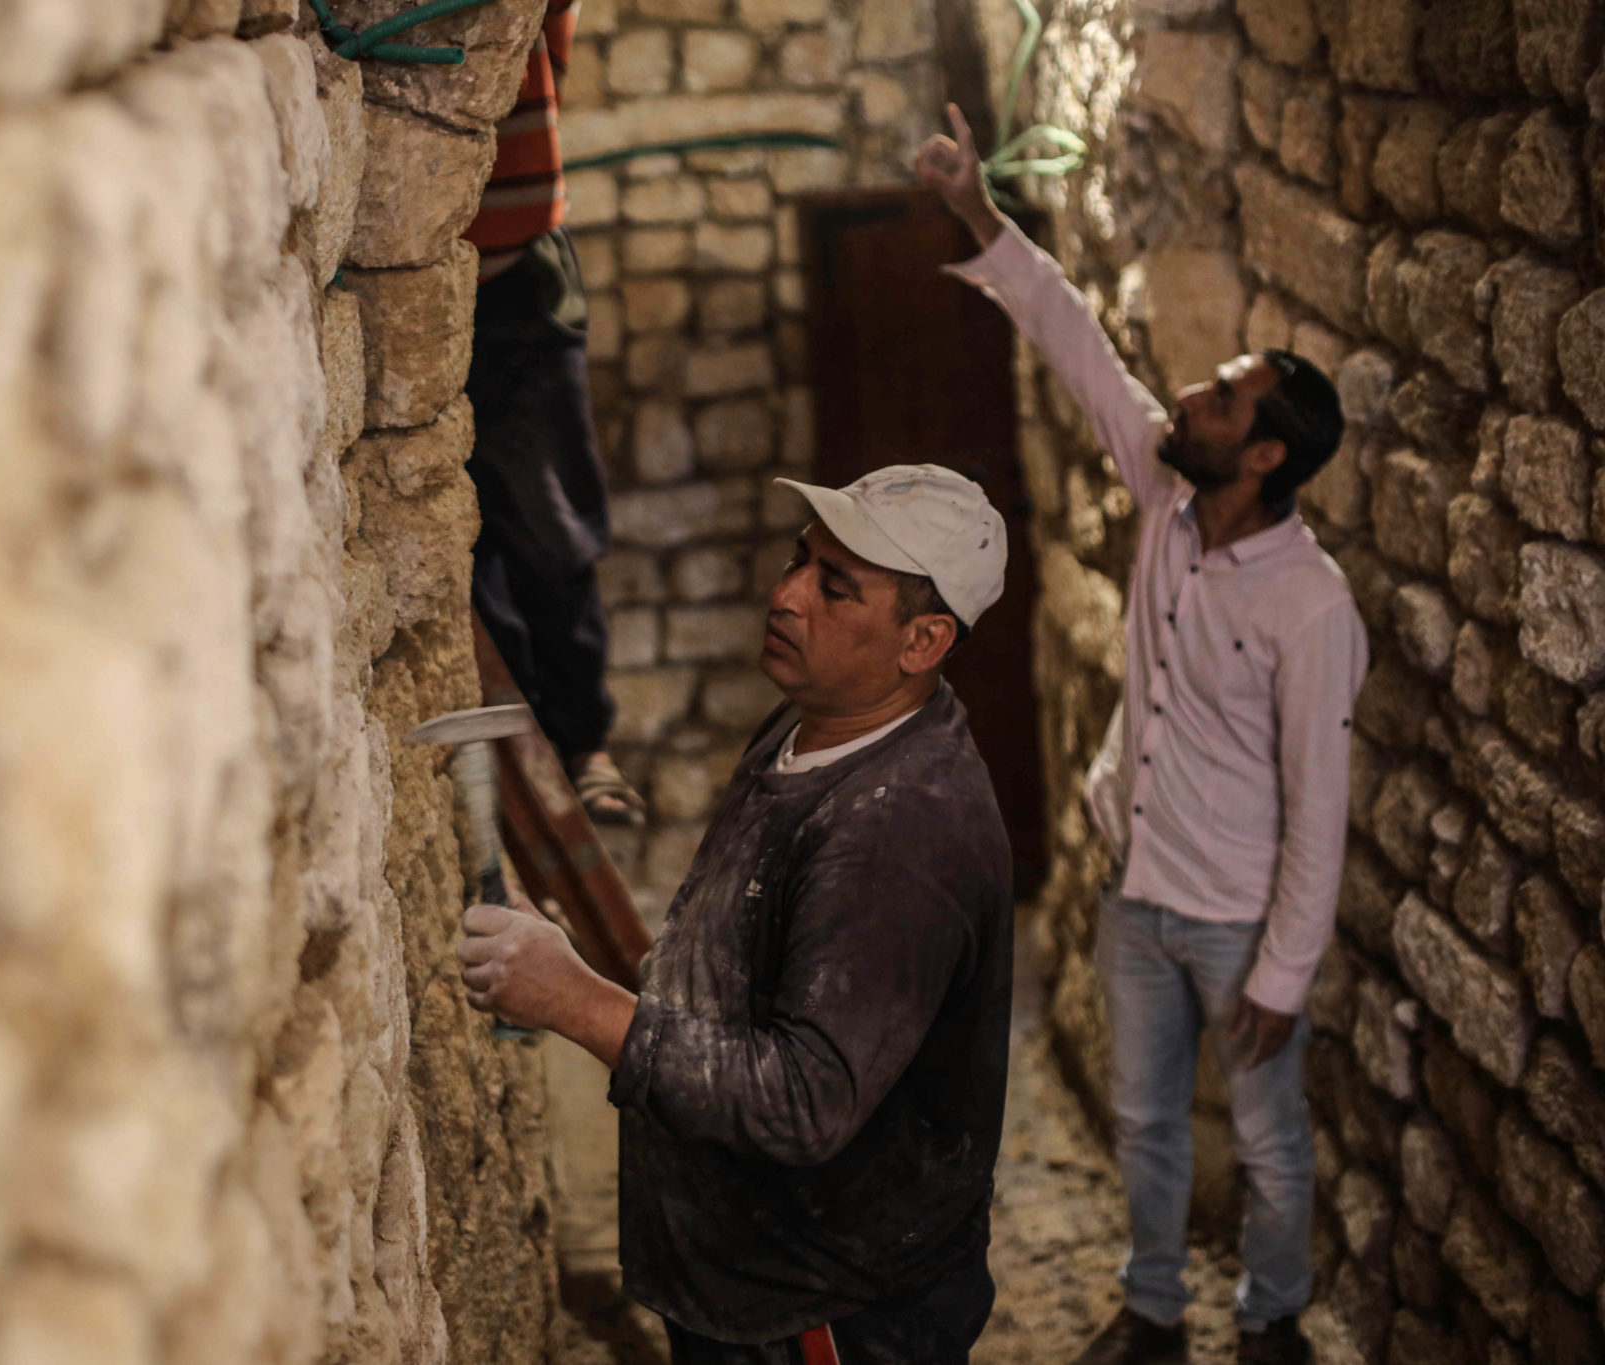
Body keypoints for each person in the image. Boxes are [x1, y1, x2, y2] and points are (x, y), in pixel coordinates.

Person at [918, 105, 1368, 1365]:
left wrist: (1283, 971)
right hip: (1135, 886)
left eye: (1221, 398)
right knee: (1144, 1120)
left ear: (1263, 455)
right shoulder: (1168, 495)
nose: (1186, 392)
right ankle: (1154, 1310)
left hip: (1234, 915)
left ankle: (1272, 1320)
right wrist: (975, 212)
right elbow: (1075, 342)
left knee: (1270, 1136)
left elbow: (1315, 796)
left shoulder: (1308, 606)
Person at [456, 464, 1017, 1364]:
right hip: (755, 1280)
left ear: (924, 640)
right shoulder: (811, 726)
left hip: (826, 1313)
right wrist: (555, 958)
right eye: (801, 561)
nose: (786, 595)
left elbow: (803, 1100)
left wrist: (571, 1000)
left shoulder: (899, 832)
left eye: (835, 588)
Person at [462, 0, 643, 825]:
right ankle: (522, 749)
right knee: (466, 555)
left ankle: (580, 742)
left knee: (552, 529)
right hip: (435, 276)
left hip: (520, 273)